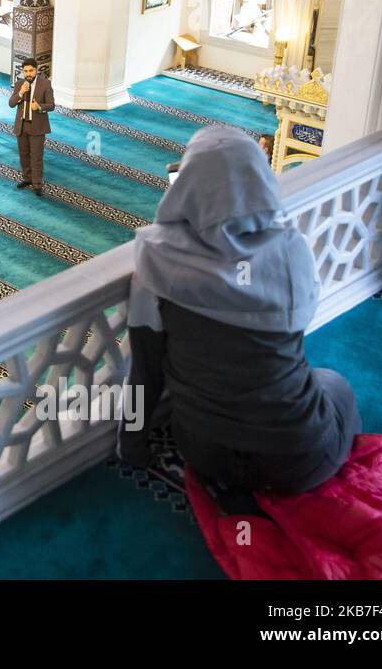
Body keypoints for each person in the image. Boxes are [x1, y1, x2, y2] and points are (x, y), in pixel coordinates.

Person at [118, 126, 359, 495]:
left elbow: (145, 373)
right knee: (335, 384)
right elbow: (297, 329)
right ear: (260, 180)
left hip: (206, 455)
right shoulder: (291, 250)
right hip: (298, 460)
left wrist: (132, 447)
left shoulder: (156, 255)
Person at [9, 59, 54, 197]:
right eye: (26, 71)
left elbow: (51, 105)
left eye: (31, 70)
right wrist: (21, 93)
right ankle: (27, 179)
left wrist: (39, 107)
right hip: (21, 126)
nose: (28, 74)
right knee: (24, 155)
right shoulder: (19, 84)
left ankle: (37, 184)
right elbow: (11, 103)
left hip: (37, 127)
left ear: (36, 70)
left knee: (36, 157)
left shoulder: (45, 84)